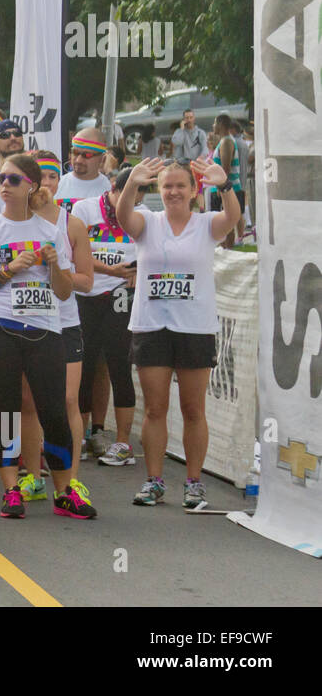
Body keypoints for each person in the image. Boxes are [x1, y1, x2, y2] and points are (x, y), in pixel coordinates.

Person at [0, 154, 96, 521]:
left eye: (13, 180)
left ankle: (64, 492)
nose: (5, 185)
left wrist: (54, 265)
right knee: (4, 410)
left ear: (32, 186)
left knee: (53, 411)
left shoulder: (50, 231)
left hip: (45, 329)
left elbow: (65, 291)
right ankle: (11, 490)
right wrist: (8, 269)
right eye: (1, 179)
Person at [116, 157, 240, 509]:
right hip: (152, 325)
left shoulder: (206, 225)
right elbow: (124, 217)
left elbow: (232, 218)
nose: (173, 192)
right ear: (158, 190)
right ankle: (154, 480)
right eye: (167, 186)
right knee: (155, 408)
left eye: (180, 186)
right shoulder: (148, 222)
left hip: (194, 327)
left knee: (193, 409)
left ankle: (194, 482)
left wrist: (225, 185)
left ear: (193, 190)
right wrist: (132, 184)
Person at [16, 150, 97, 512]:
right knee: (29, 401)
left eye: (52, 176)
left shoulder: (72, 224)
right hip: (28, 320)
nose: (45, 184)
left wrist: (55, 270)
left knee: (66, 401)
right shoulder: (14, 222)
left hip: (64, 322)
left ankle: (71, 478)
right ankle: (32, 475)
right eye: (40, 178)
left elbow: (86, 281)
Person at [72, 167, 143, 468]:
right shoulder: (84, 209)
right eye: (124, 196)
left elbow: (148, 253)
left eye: (136, 199)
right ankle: (82, 436)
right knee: (84, 367)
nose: (128, 204)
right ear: (113, 187)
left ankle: (123, 442)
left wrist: (138, 272)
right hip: (87, 294)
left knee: (119, 365)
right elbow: (76, 253)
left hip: (120, 294)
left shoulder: (141, 215)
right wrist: (110, 270)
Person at [210, 114, 245, 246]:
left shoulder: (226, 142)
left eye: (215, 123)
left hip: (228, 188)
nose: (213, 126)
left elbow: (226, 168)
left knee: (227, 223)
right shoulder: (223, 141)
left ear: (221, 125)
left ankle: (228, 250)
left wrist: (222, 188)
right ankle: (225, 249)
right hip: (222, 187)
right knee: (222, 224)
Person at [57, 129, 113, 211]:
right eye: (75, 152)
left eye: (87, 155)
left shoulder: (109, 191)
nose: (78, 160)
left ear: (102, 159)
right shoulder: (55, 186)